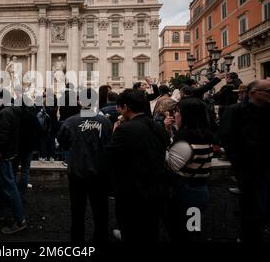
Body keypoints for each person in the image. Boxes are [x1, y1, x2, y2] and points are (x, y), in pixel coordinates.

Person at [105, 89, 169, 242]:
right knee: (151, 230)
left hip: (132, 191)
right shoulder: (158, 126)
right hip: (156, 188)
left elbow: (109, 156)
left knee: (131, 230)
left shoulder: (125, 129)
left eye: (119, 106)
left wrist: (115, 132)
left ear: (126, 107)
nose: (117, 109)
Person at [58, 88, 112, 242]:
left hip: (77, 172)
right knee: (101, 212)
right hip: (99, 172)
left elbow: (63, 143)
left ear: (79, 101)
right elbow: (109, 143)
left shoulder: (70, 122)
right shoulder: (105, 122)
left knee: (77, 212)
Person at [219, 79, 270, 242]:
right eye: (268, 92)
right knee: (251, 207)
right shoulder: (235, 111)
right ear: (254, 93)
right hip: (248, 168)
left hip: (264, 166)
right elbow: (227, 139)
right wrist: (239, 164)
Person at [164, 97, 214, 241]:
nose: (175, 115)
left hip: (185, 190)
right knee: (193, 228)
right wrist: (169, 130)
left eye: (178, 111)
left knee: (179, 230)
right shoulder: (206, 134)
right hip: (201, 188)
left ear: (188, 115)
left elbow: (171, 164)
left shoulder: (185, 138)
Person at [0, 89, 27, 234]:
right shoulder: (12, 111)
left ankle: (20, 219)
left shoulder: (5, 113)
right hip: (9, 153)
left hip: (3, 156)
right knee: (3, 185)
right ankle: (0, 211)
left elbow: (2, 138)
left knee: (9, 187)